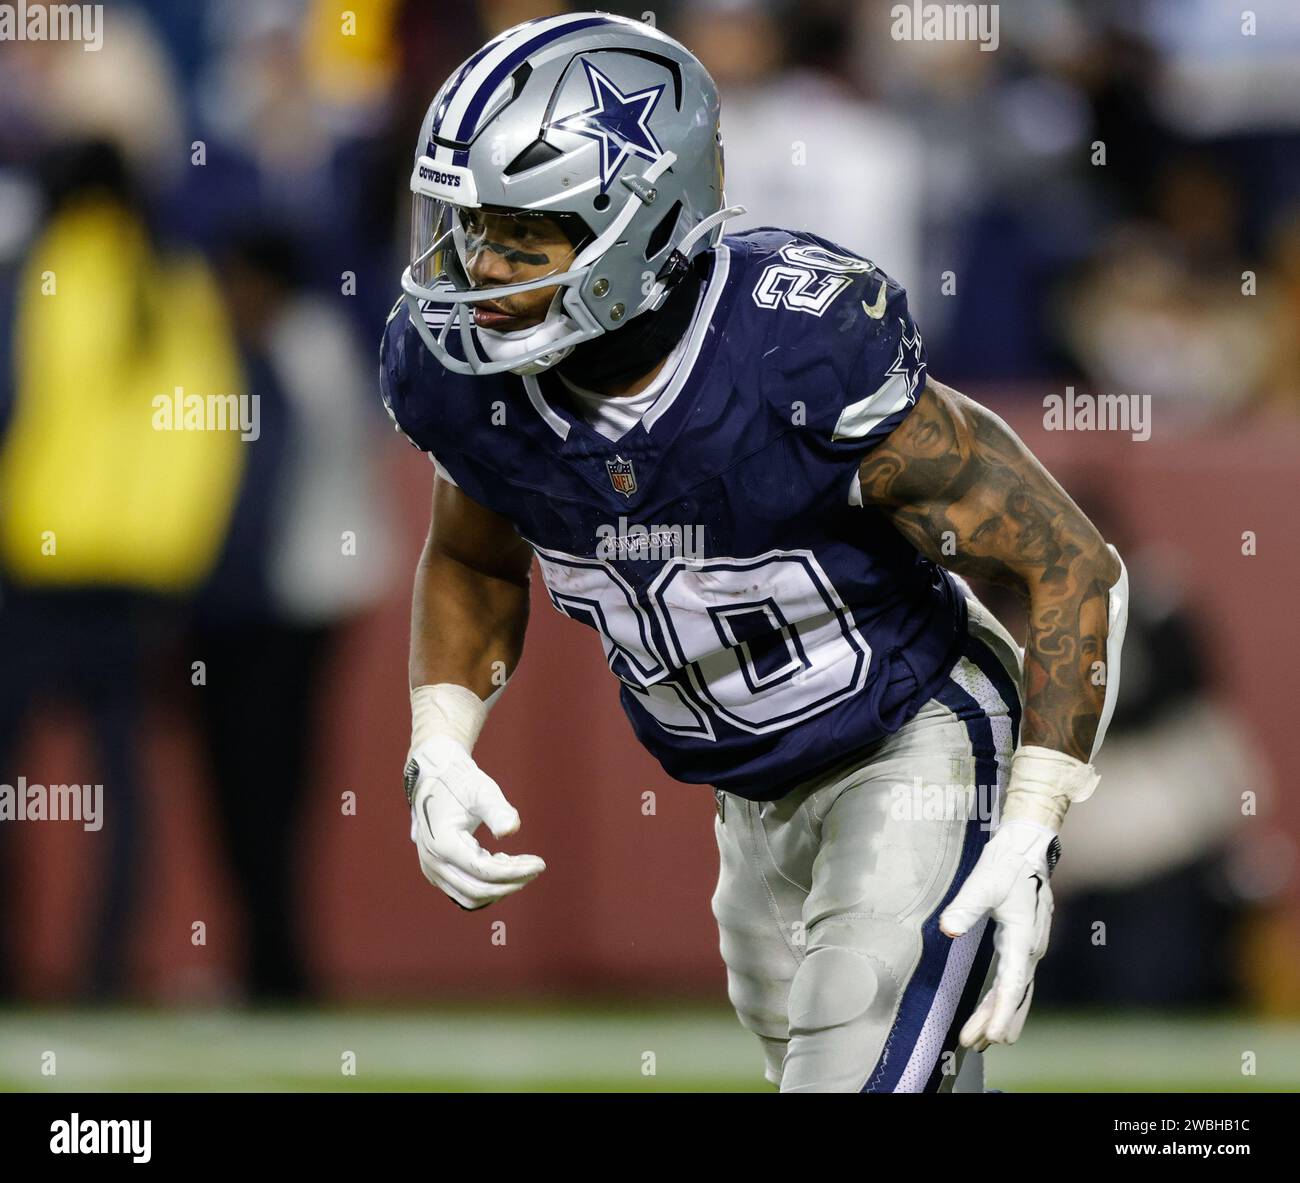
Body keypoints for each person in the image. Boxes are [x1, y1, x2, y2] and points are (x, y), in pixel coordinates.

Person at [379, 13, 1128, 1093]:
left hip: (913, 739)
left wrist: (1029, 823)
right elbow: (475, 558)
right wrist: (441, 738)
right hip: (748, 800)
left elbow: (1063, 561)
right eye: (464, 225)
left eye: (519, 234)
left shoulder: (795, 343)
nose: (475, 265)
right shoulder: (464, 379)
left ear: (639, 226)